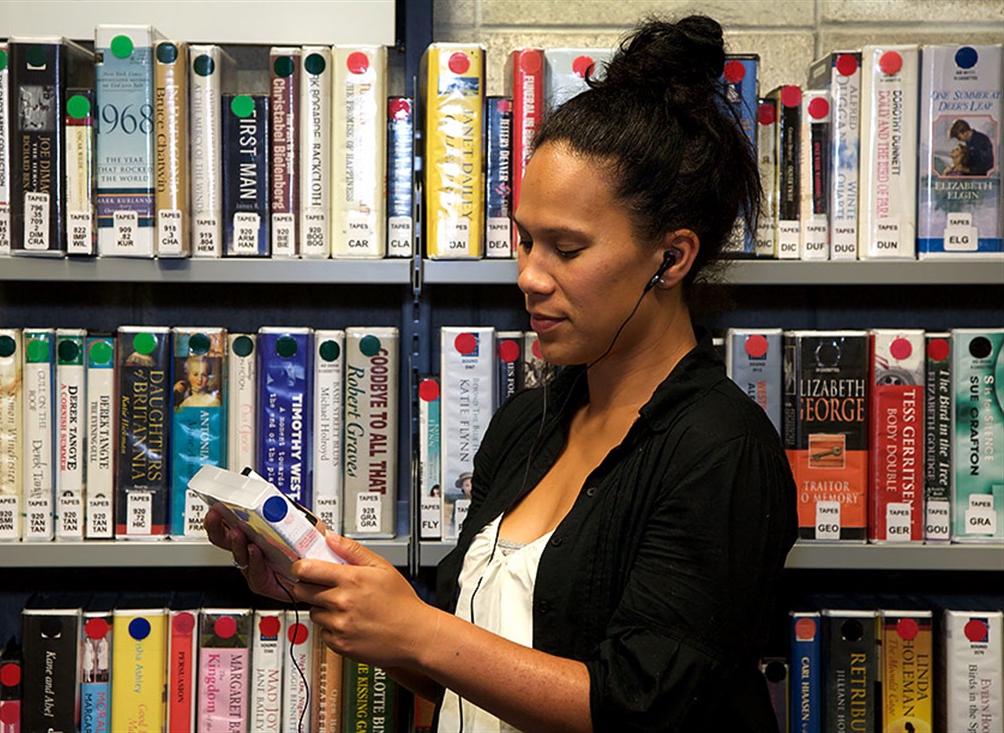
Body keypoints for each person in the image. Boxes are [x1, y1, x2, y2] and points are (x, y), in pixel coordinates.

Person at [206, 15, 797, 732]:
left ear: (670, 259)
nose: (529, 276)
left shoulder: (721, 450)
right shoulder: (527, 423)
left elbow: (641, 704)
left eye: (567, 249)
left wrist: (421, 630)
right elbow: (469, 666)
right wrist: (331, 588)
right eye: (524, 239)